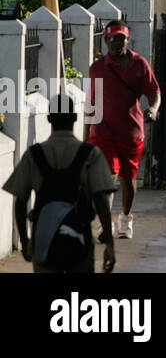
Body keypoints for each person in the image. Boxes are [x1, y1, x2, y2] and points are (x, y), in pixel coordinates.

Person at [4, 93, 117, 273]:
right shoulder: (90, 154)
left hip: (44, 238)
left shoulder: (34, 155)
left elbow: (20, 201)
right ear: (75, 117)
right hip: (80, 239)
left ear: (49, 119)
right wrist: (110, 244)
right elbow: (101, 199)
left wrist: (25, 242)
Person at [86, 21, 159, 241]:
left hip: (131, 132)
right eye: (112, 39)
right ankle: (105, 224)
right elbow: (91, 102)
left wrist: (153, 109)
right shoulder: (97, 68)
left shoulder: (139, 64)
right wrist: (86, 133)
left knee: (128, 179)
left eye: (121, 39)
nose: (117, 43)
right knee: (107, 178)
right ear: (106, 41)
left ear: (127, 40)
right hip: (103, 132)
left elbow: (154, 91)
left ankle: (126, 219)